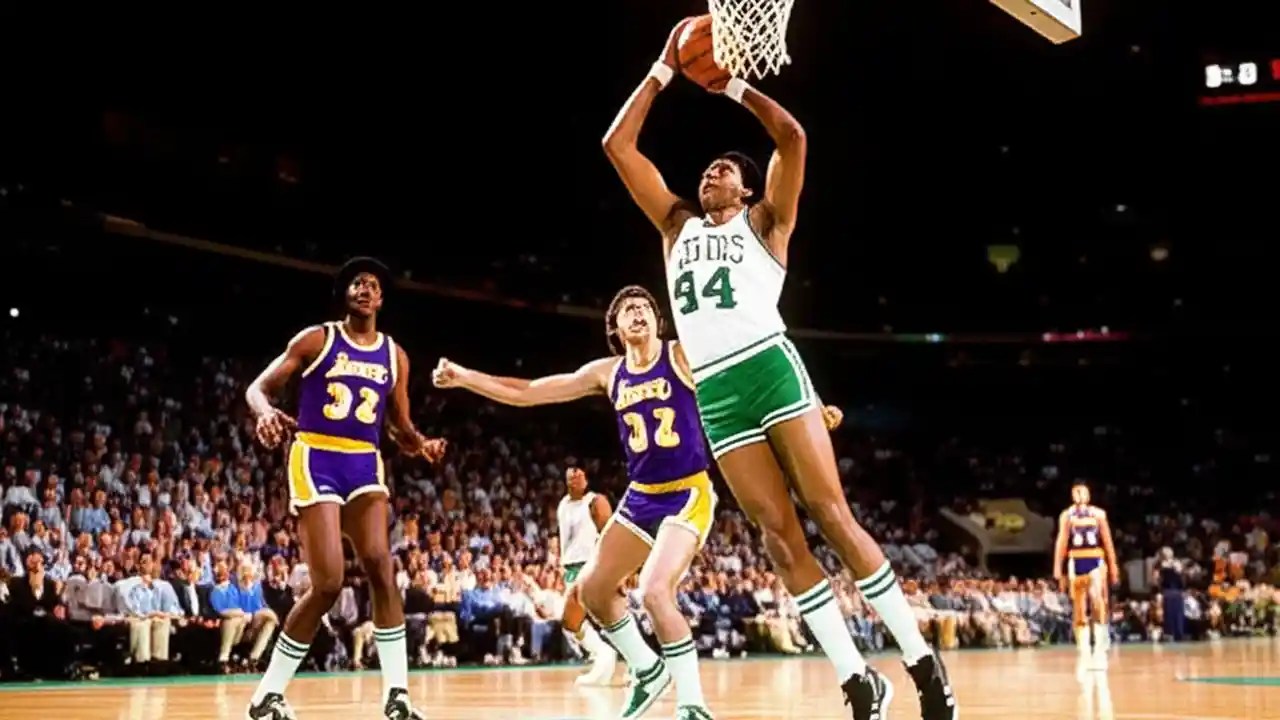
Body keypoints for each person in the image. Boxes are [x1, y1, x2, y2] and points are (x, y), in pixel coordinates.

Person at [598, 18, 958, 720]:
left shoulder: (766, 224)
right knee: (777, 537)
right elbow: (616, 145)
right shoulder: (675, 227)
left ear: (747, 187)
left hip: (770, 365)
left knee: (830, 513)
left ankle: (921, 658)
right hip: (720, 392)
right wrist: (663, 71)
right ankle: (858, 679)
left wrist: (730, 83)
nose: (712, 172)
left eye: (726, 169)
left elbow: (793, 138)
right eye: (707, 169)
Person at [433, 285, 844, 720]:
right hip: (641, 496)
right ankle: (649, 669)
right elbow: (529, 391)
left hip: (688, 492)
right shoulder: (607, 373)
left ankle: (693, 706)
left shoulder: (682, 355)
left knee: (653, 591)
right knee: (591, 590)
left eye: (645, 307)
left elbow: (749, 361)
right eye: (628, 309)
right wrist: (465, 377)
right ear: (615, 327)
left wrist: (810, 406)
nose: (638, 312)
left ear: (657, 320)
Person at [244, 256, 446, 720]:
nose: (365, 288)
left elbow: (399, 426)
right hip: (316, 455)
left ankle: (398, 697)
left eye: (373, 283)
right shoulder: (317, 338)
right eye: (357, 282)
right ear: (345, 294)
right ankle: (266, 695)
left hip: (364, 462)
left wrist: (423, 446)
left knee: (380, 563)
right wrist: (265, 414)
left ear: (381, 298)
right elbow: (258, 389)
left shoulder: (395, 355)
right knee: (329, 583)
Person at [556, 467, 620, 685]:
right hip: (570, 566)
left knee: (589, 616)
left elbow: (610, 531)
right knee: (573, 620)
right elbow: (565, 538)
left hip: (591, 563)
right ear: (566, 481)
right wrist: (561, 562)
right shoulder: (563, 505)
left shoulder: (594, 501)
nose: (577, 480)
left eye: (581, 476)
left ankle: (617, 659)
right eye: (573, 477)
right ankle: (603, 655)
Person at [1053, 482, 1118, 669]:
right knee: (1079, 605)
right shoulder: (1067, 515)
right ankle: (1084, 649)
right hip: (1076, 560)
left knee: (1097, 599)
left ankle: (1100, 645)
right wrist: (1058, 567)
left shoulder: (1098, 514)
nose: (1080, 495)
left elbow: (1108, 541)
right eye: (1077, 492)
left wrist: (1113, 565)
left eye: (1084, 492)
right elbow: (1062, 542)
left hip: (1095, 559)